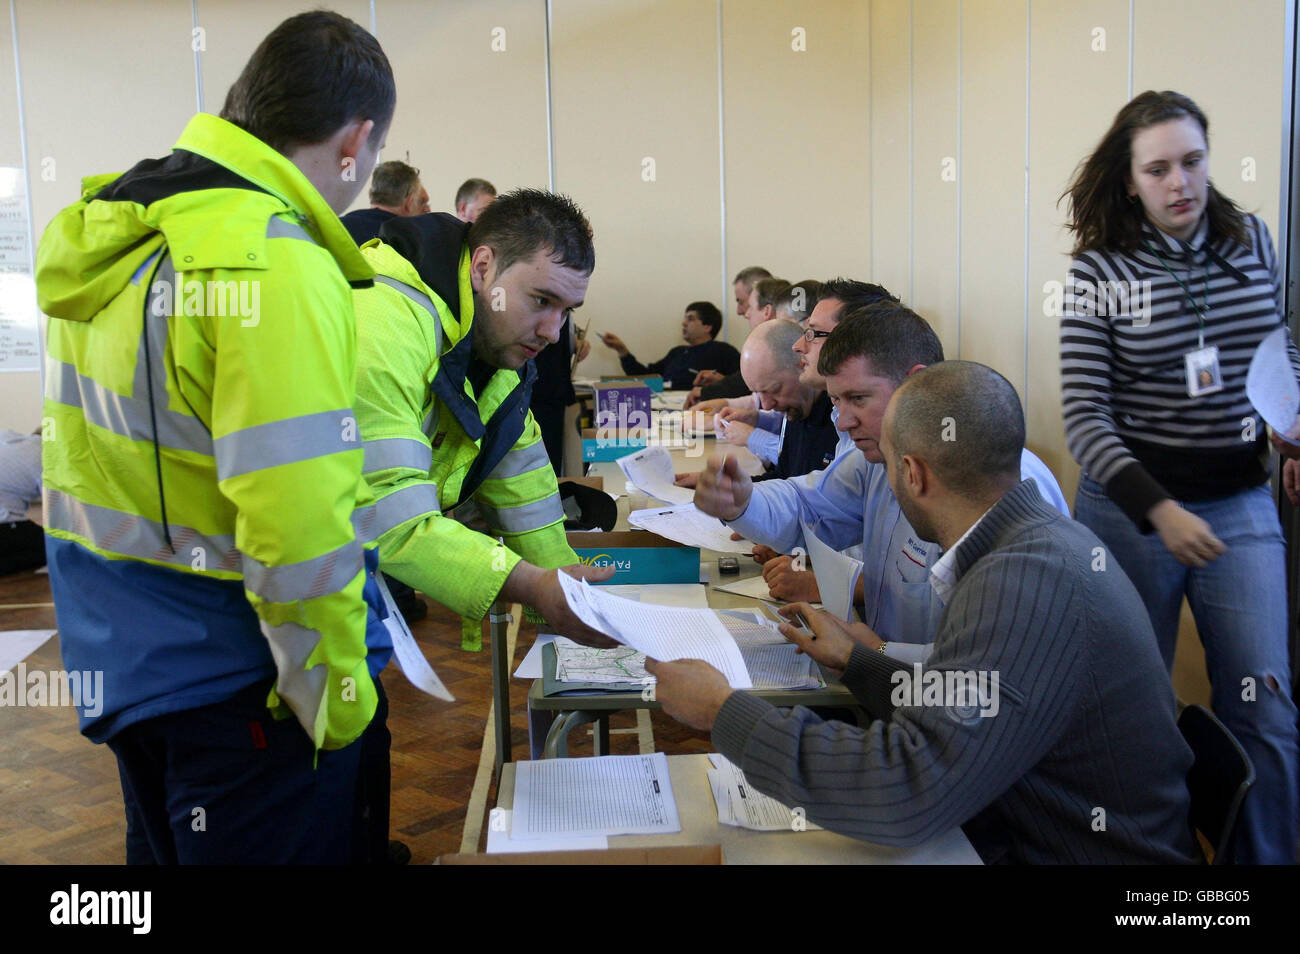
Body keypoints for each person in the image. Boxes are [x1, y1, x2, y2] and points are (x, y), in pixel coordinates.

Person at [36, 11, 396, 864]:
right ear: (358, 138)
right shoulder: (275, 258)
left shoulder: (114, 239)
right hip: (251, 689)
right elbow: (298, 524)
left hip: (124, 666)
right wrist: (340, 700)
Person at [647, 361, 1199, 864]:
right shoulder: (1030, 545)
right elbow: (971, 698)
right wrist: (862, 661)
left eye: (883, 464)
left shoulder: (1024, 581)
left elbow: (906, 793)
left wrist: (724, 712)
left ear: (912, 473)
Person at [1060, 89, 1300, 864]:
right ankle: (1153, 871)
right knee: (1133, 709)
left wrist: (1292, 443)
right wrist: (1158, 510)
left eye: (1192, 162)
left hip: (1237, 500)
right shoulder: (1098, 271)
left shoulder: (1251, 240)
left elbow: (1272, 362)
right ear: (1130, 180)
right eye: (1158, 169)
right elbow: (1085, 418)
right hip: (1129, 512)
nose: (1179, 183)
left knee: (1265, 705)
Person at [694, 303, 1069, 661]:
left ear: (914, 382)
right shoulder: (874, 459)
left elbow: (998, 668)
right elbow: (809, 507)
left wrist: (878, 656)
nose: (842, 421)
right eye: (836, 401)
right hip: (895, 688)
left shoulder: (994, 479)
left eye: (858, 399)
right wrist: (742, 501)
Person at [734, 319, 839, 481]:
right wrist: (730, 487)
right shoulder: (796, 410)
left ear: (803, 364)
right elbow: (783, 478)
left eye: (774, 390)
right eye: (758, 393)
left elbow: (812, 500)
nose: (767, 405)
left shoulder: (840, 420)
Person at [689, 278, 790, 404]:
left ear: (767, 311)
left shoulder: (778, 347)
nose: (746, 314)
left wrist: (707, 393)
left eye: (750, 307)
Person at [597, 301, 739, 390]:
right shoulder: (677, 352)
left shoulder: (723, 351)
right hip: (660, 409)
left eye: (690, 319)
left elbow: (743, 384)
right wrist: (622, 350)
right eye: (685, 318)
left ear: (707, 326)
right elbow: (646, 377)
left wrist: (722, 381)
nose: (683, 323)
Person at [681, 266, 770, 407]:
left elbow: (758, 388)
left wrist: (708, 392)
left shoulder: (779, 340)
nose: (741, 312)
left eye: (741, 301)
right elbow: (752, 390)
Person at [341, 160, 430, 245]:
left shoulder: (340, 226)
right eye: (422, 202)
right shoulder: (413, 241)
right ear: (409, 203)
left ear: (370, 194)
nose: (428, 210)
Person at [0, 429, 43, 574]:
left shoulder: (6, 438)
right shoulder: (46, 453)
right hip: (5, 528)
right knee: (57, 547)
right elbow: (65, 507)